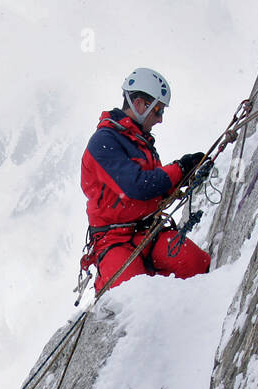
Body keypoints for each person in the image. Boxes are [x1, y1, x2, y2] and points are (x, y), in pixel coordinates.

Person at [80, 67, 212, 293]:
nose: (160, 119)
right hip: (113, 242)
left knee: (196, 265)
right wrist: (180, 168)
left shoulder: (140, 142)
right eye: (158, 110)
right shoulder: (104, 142)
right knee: (132, 297)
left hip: (148, 232)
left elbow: (152, 190)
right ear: (140, 104)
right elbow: (138, 187)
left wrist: (186, 176)